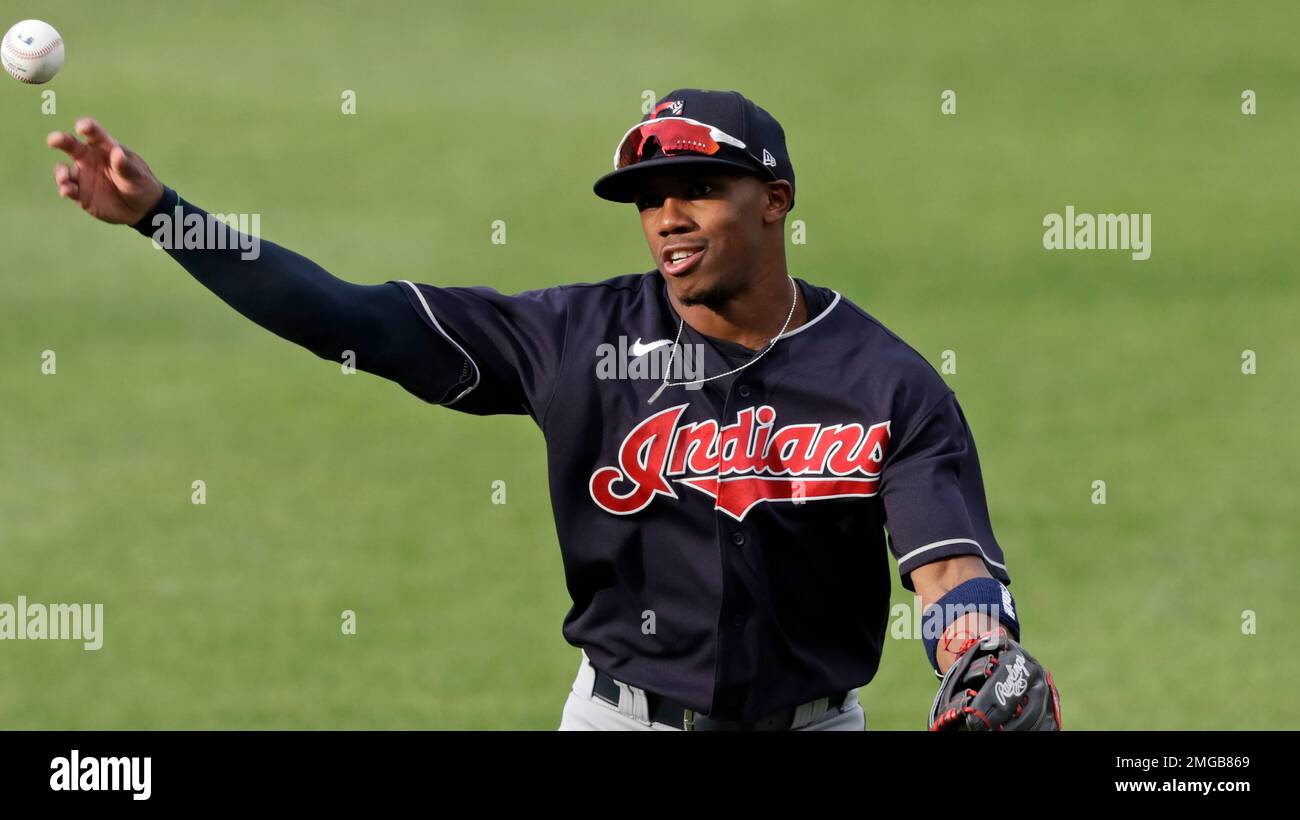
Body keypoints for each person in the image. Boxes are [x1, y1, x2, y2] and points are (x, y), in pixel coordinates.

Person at [47, 88, 1060, 731]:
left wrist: (978, 650)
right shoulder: (574, 337)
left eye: (696, 189)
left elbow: (947, 564)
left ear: (775, 200)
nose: (666, 217)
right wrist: (164, 219)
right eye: (648, 197)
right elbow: (345, 316)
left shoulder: (883, 379)